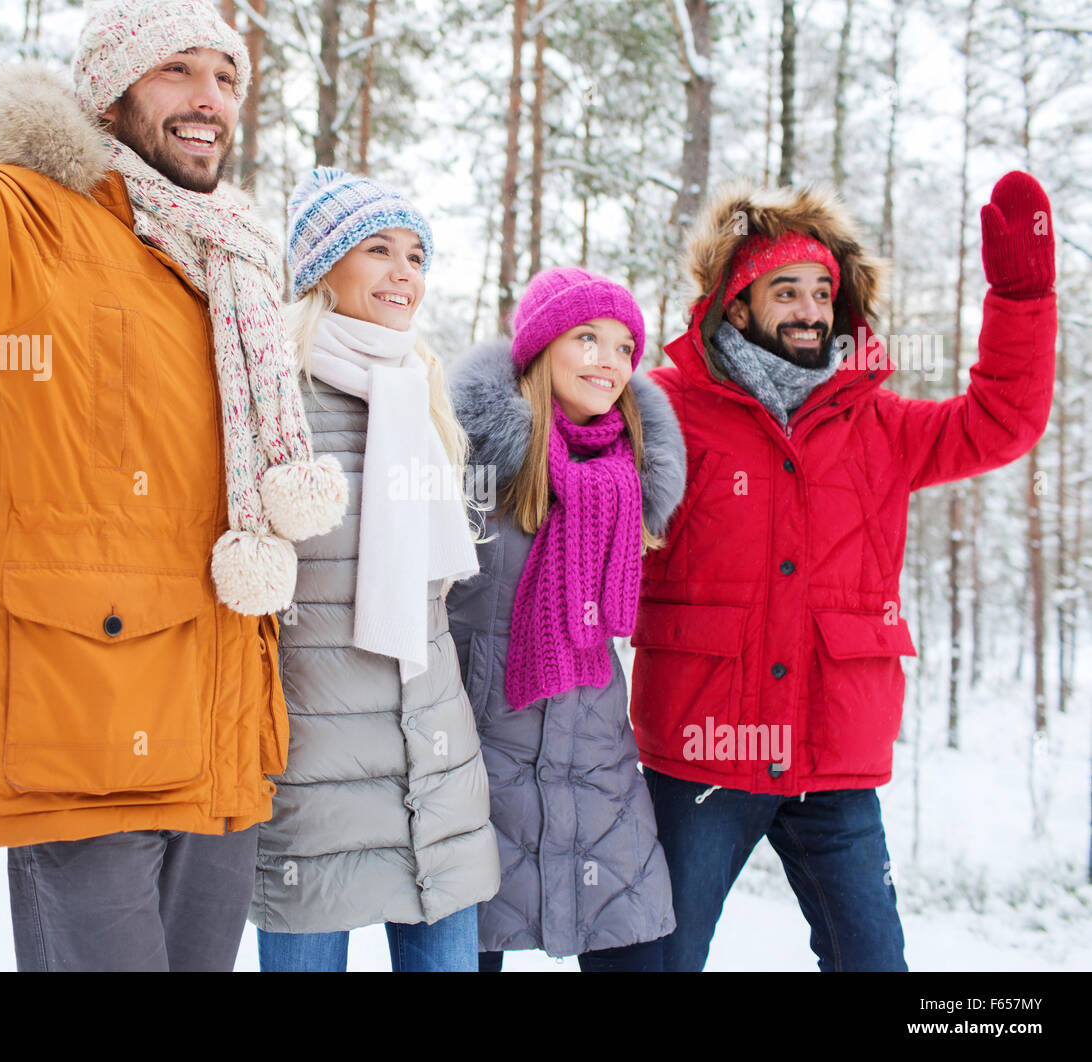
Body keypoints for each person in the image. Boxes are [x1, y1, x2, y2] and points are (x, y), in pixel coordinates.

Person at [0, 0, 346, 971]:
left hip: (221, 756)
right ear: (111, 88)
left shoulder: (228, 266)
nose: (209, 98)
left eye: (225, 77)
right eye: (177, 69)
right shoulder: (25, 230)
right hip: (88, 753)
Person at [631, 174, 1057, 971]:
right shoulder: (669, 410)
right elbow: (567, 460)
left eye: (823, 291)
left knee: (873, 962)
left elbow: (1001, 421)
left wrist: (1023, 298)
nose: (809, 309)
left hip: (832, 759)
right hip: (702, 756)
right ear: (735, 304)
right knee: (654, 960)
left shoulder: (879, 425)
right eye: (785, 289)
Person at [249, 168, 500, 972]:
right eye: (378, 251)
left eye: (417, 255)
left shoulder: (423, 396)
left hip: (435, 775)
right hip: (312, 782)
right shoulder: (273, 401)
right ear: (322, 269)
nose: (405, 274)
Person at [446, 268, 686, 971]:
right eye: (587, 338)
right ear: (540, 347)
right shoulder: (469, 468)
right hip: (480, 777)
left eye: (622, 347)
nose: (607, 361)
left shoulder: (634, 477)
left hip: (601, 780)